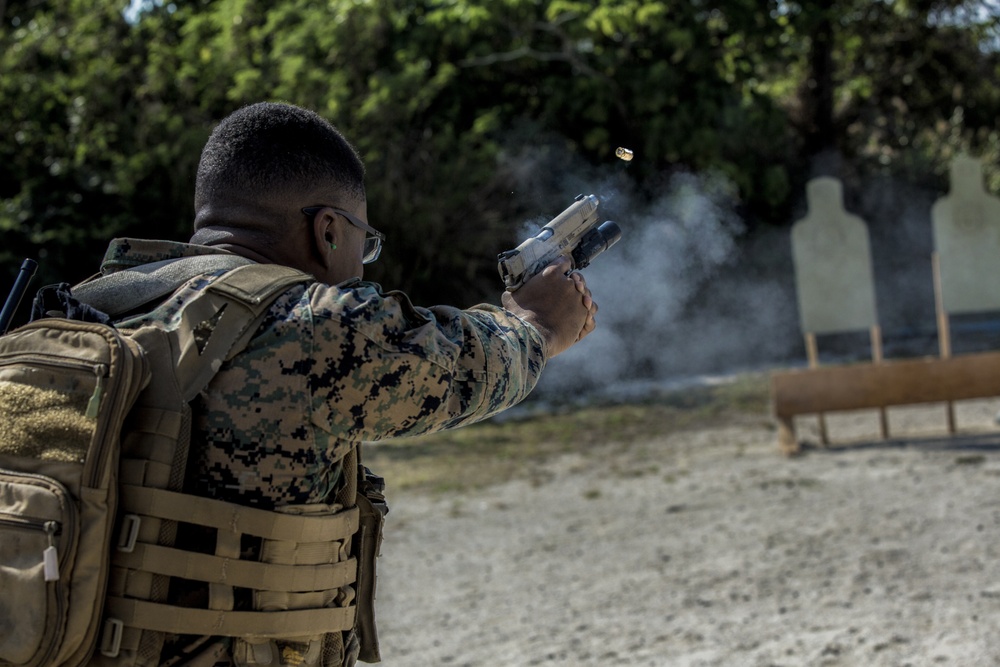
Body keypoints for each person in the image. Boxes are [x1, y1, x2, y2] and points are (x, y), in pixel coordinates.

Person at [83, 101, 598, 667]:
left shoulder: (80, 311)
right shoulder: (310, 325)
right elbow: (469, 367)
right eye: (364, 242)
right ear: (328, 230)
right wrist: (537, 326)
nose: (362, 263)